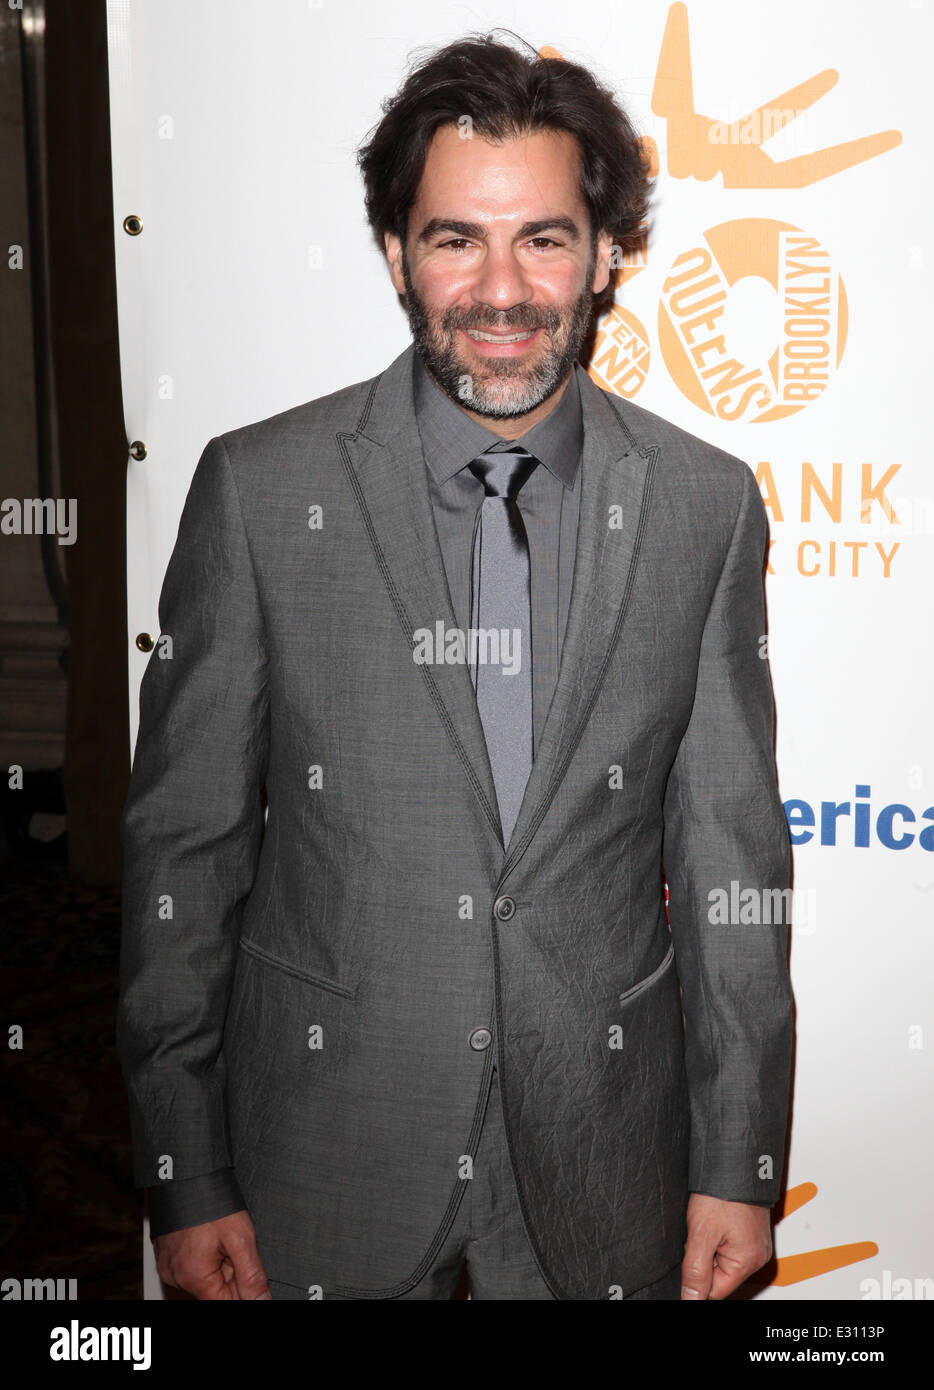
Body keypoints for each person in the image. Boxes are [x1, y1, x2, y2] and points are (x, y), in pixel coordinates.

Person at [117, 31, 794, 1301]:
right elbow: (185, 855)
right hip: (320, 1150)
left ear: (604, 257)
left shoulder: (703, 506)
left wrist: (740, 1157)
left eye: (542, 237)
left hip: (601, 1156)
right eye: (452, 239)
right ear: (393, 254)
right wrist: (183, 1168)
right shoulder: (263, 492)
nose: (501, 289)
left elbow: (730, 863)